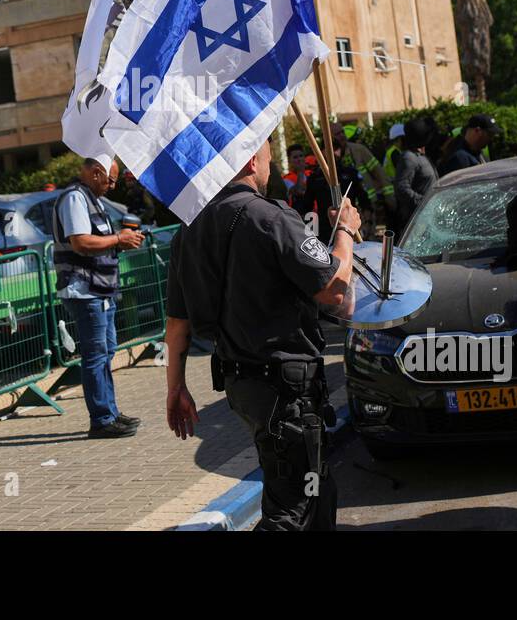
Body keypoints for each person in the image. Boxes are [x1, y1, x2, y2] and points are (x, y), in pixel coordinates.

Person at [163, 139, 361, 530]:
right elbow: (335, 288)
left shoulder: (189, 229)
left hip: (243, 384)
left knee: (315, 490)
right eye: (270, 159)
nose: (270, 168)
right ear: (252, 159)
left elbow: (177, 325)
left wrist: (175, 389)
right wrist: (347, 233)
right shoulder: (271, 218)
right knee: (294, 506)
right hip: (285, 388)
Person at [52, 158, 146, 439]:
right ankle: (102, 419)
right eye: (111, 180)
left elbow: (98, 242)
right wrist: (119, 239)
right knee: (95, 355)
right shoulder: (75, 199)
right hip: (84, 289)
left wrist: (121, 240)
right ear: (96, 173)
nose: (113, 186)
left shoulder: (91, 199)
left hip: (99, 288)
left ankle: (110, 412)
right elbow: (81, 242)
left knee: (106, 351)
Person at [393, 117, 437, 234]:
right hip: (417, 222)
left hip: (427, 218)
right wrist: (424, 202)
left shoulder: (419, 155)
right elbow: (401, 187)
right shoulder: (409, 157)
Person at [380, 123, 404, 221]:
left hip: (390, 190)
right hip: (393, 191)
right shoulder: (395, 153)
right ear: (399, 139)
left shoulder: (392, 151)